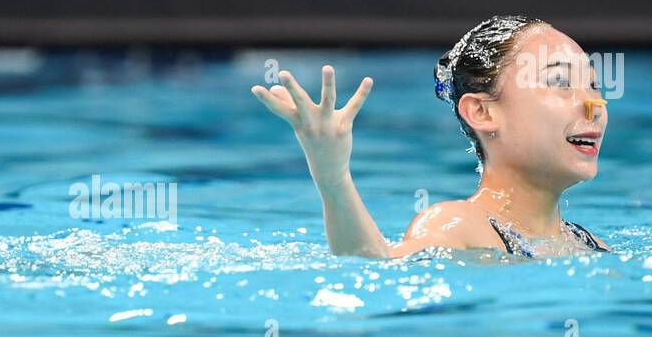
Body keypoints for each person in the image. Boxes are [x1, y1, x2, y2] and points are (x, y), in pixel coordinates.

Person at [251, 15, 609, 259]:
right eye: (559, 82)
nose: (593, 104)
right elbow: (377, 271)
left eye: (593, 84)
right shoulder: (457, 227)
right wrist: (333, 178)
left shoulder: (588, 246)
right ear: (482, 113)